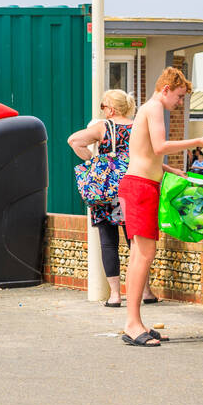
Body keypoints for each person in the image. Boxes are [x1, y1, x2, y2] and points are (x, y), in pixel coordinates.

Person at [118, 68, 203, 347]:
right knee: (144, 254)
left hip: (143, 185)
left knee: (141, 254)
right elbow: (161, 145)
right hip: (140, 187)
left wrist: (171, 170)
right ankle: (131, 324)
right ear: (165, 90)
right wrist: (199, 141)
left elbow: (144, 153)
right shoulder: (153, 108)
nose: (179, 103)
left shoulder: (147, 110)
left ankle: (135, 322)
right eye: (178, 97)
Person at [67, 89, 158, 308]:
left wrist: (95, 159)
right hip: (133, 188)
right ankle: (145, 291)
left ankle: (115, 295)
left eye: (103, 106)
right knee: (135, 242)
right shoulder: (138, 126)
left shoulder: (102, 127)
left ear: (111, 108)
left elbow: (74, 141)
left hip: (106, 193)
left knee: (109, 243)